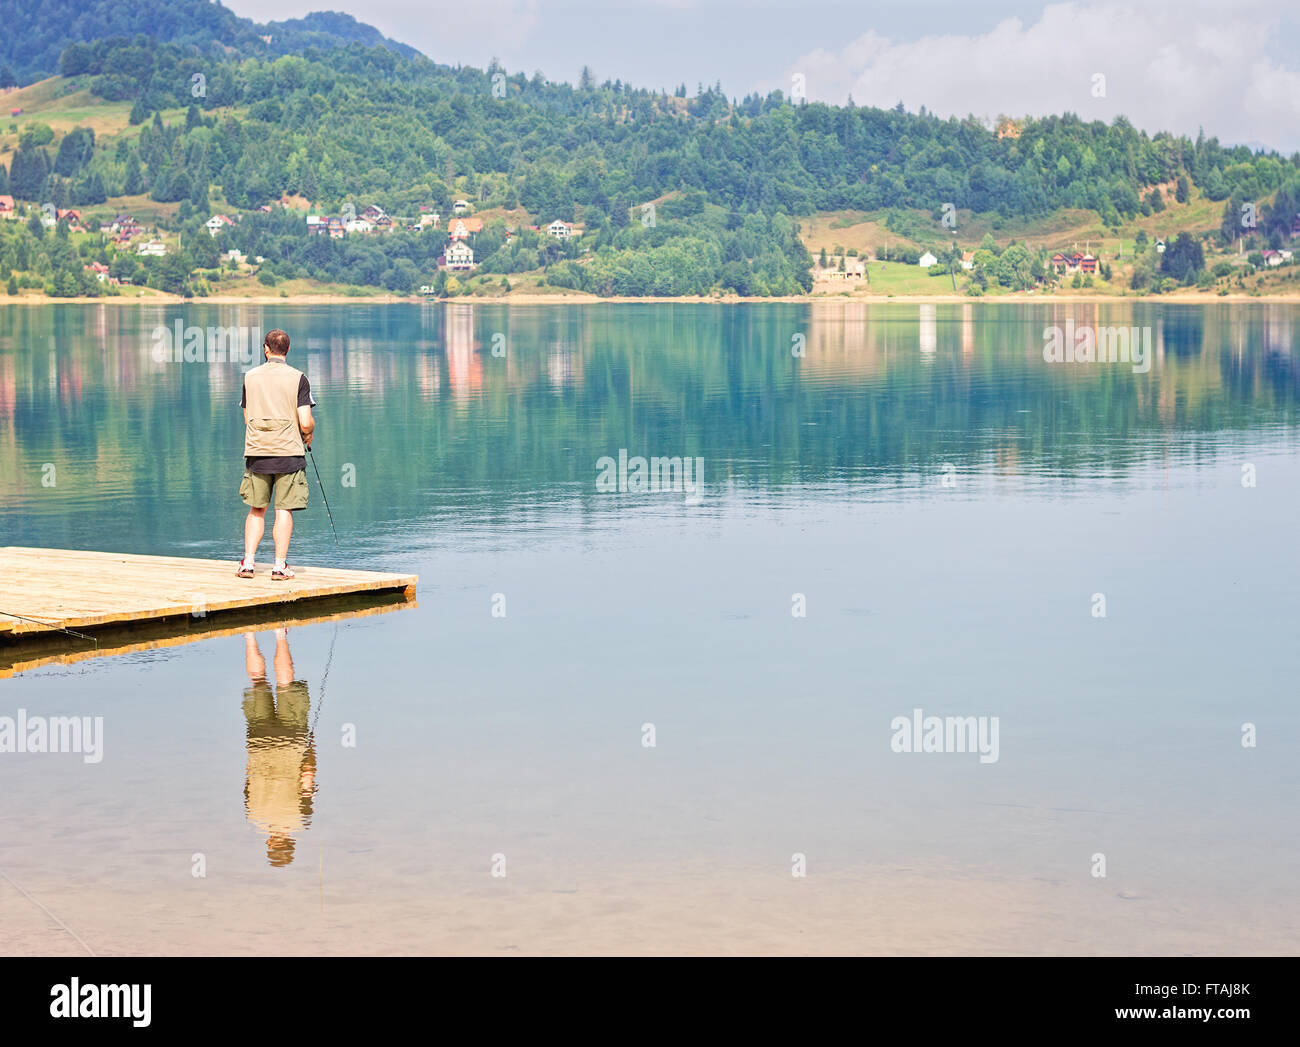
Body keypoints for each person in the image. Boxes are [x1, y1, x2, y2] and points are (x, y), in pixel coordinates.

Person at [237, 329, 315, 580]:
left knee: (256, 509)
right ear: (288, 350)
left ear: (266, 349)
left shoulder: (250, 377)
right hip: (288, 454)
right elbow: (305, 421)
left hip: (257, 452)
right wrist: (309, 434)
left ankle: (248, 564)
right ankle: (279, 566)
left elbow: (248, 418)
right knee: (283, 510)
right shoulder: (299, 378)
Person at [241, 629, 317, 868]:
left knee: (285, 684)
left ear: (289, 842)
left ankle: (279, 635)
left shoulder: (300, 817)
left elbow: (306, 775)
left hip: (291, 743)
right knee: (258, 683)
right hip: (259, 746)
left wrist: (310, 749)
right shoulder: (253, 815)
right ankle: (250, 636)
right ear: (270, 843)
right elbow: (248, 775)